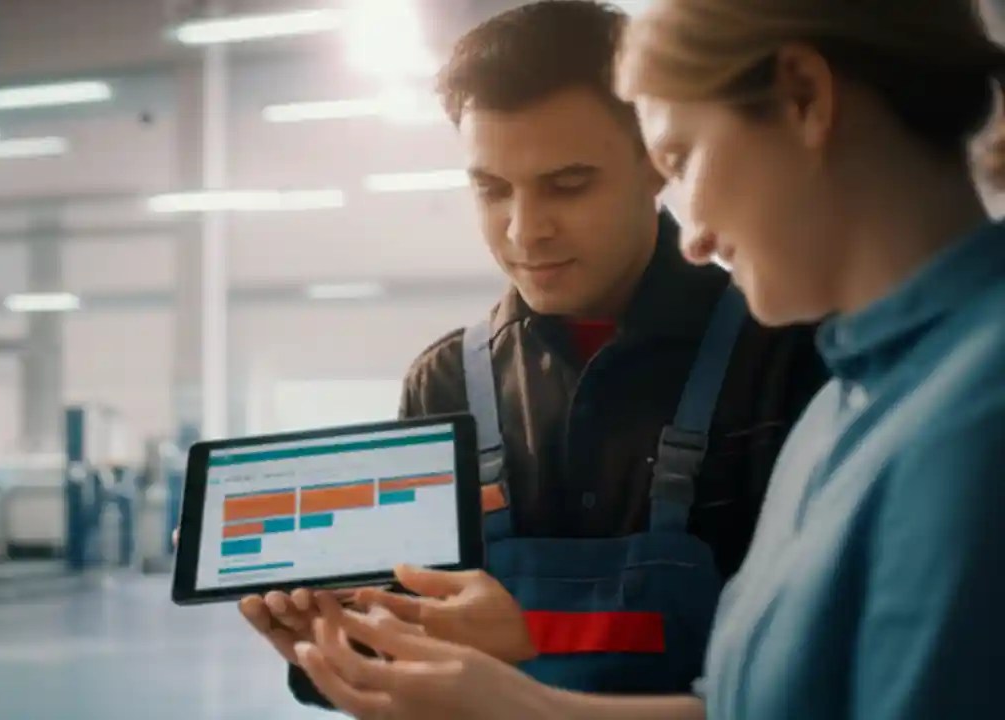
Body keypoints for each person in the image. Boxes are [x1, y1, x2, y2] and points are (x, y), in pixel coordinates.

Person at [290, 0, 1005, 717]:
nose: (694, 238)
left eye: (683, 156)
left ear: (804, 98)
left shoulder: (953, 417)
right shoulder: (850, 404)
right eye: (491, 188)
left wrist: (529, 697)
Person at [237, 0, 825, 708]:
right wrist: (329, 644)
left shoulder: (785, 356)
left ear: (654, 162)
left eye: (568, 185)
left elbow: (817, 666)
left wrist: (534, 640)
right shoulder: (446, 382)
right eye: (491, 189)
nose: (525, 230)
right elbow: (410, 646)